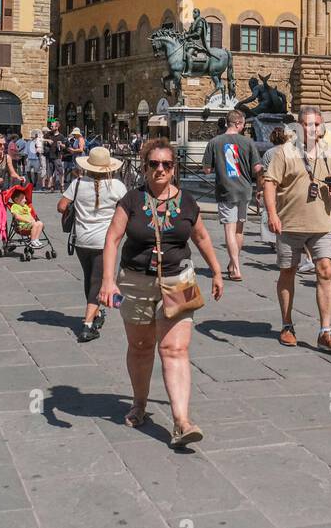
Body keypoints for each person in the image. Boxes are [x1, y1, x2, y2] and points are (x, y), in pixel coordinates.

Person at [97, 138, 223, 448]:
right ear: (145, 167)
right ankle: (140, 403)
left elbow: (202, 238)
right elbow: (112, 239)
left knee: (175, 350)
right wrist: (107, 282)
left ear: (174, 168)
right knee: (141, 346)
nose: (160, 169)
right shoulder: (131, 200)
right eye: (154, 164)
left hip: (179, 280)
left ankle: (182, 421)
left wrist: (218, 270)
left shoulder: (188, 202)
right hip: (136, 281)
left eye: (167, 164)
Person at [262, 105, 331, 350]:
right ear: (299, 126)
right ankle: (287, 325)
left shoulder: (328, 153)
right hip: (290, 223)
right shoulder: (284, 153)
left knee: (326, 271)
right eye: (307, 124)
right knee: (288, 271)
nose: (311, 128)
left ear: (322, 127)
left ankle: (325, 331)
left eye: (316, 124)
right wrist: (272, 214)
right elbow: (269, 184)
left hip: (321, 222)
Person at [58, 146, 127, 342]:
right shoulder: (117, 186)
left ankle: (96, 313)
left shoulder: (78, 183)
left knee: (90, 278)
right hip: (104, 241)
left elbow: (61, 206)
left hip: (81, 240)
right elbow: (128, 209)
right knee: (97, 281)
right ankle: (88, 325)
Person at [201, 109, 262, 282]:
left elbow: (206, 170)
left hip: (226, 189)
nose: (244, 127)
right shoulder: (248, 142)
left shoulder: (214, 142)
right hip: (244, 190)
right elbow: (257, 169)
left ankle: (235, 267)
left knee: (229, 228)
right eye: (243, 124)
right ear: (238, 123)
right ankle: (232, 262)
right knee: (239, 229)